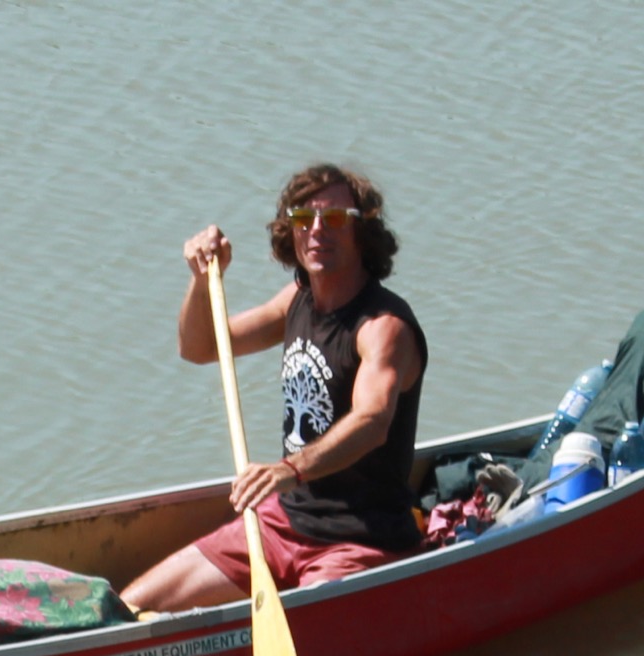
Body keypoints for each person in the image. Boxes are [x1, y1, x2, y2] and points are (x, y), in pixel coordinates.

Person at [121, 162, 428, 613]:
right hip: (283, 521)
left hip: (360, 539)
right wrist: (202, 281)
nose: (317, 230)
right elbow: (201, 347)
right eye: (304, 218)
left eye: (335, 218)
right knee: (130, 607)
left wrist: (289, 469)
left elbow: (372, 421)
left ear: (363, 232)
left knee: (305, 631)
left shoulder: (384, 327)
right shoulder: (296, 301)